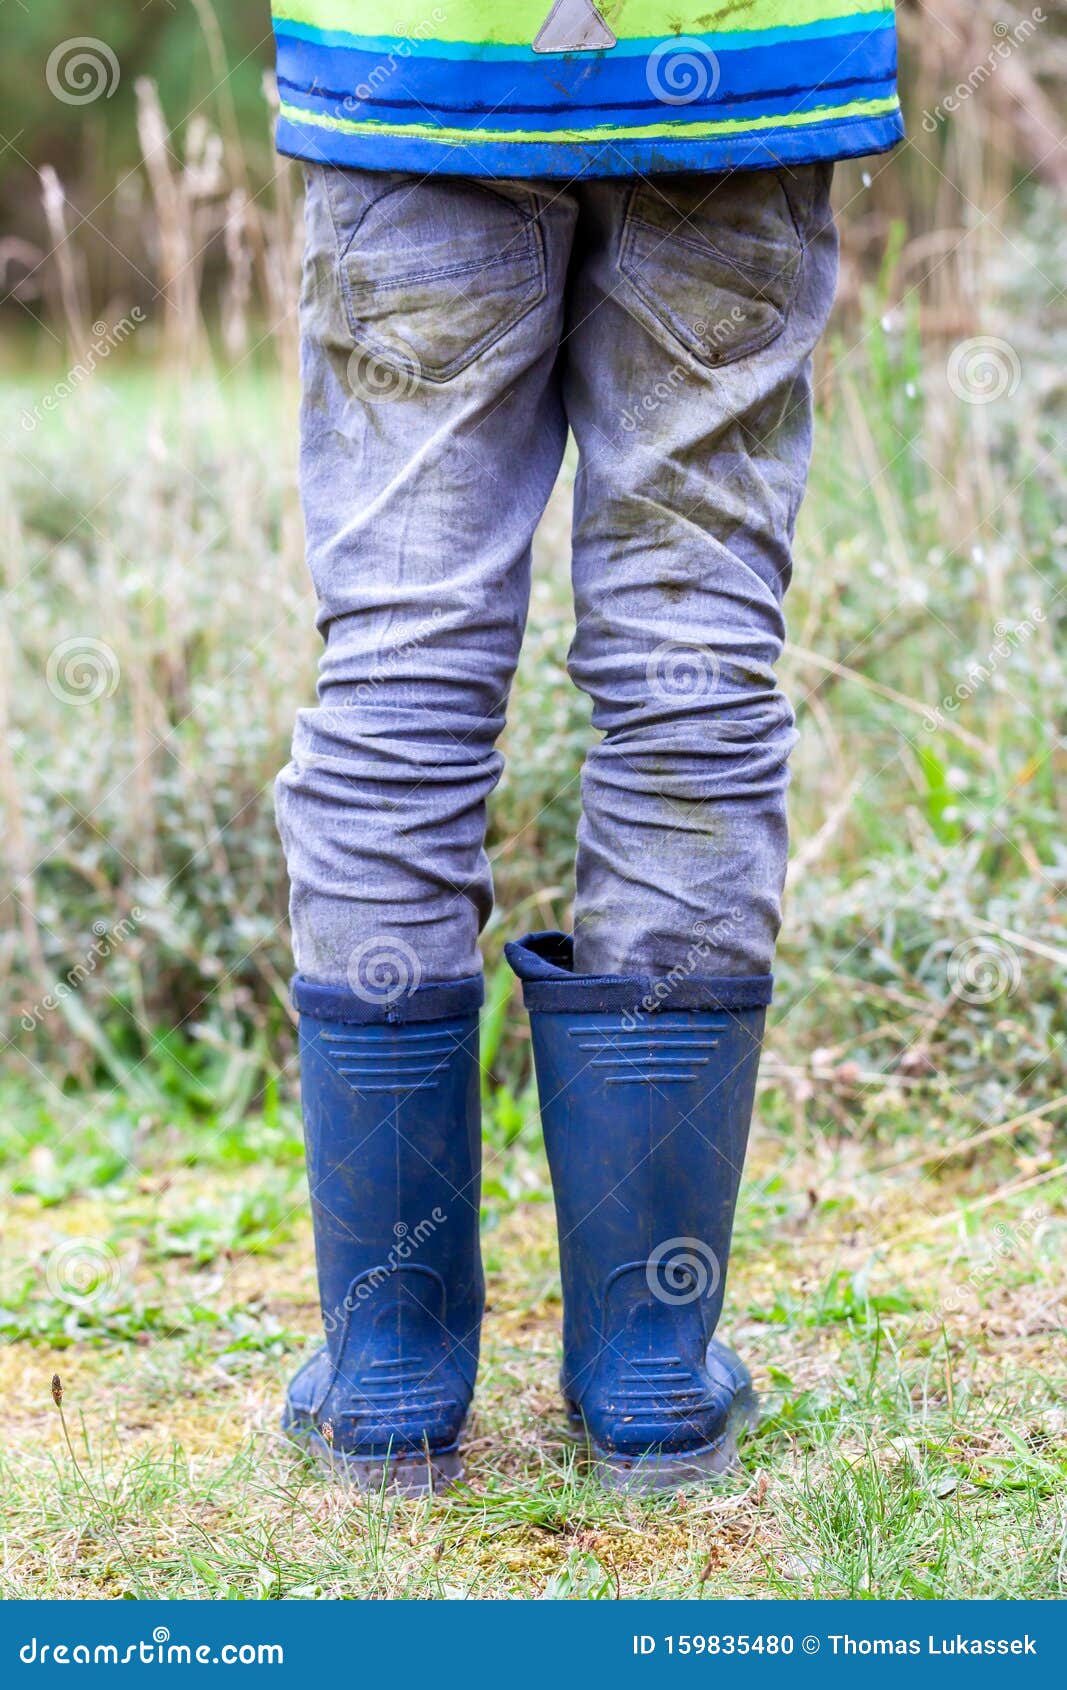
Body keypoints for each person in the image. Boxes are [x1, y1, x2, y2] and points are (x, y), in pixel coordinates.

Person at [269, 0, 903, 1492]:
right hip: (740, 56)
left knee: (401, 666)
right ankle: (647, 1373)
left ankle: (392, 1375)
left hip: (419, 60)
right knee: (692, 665)